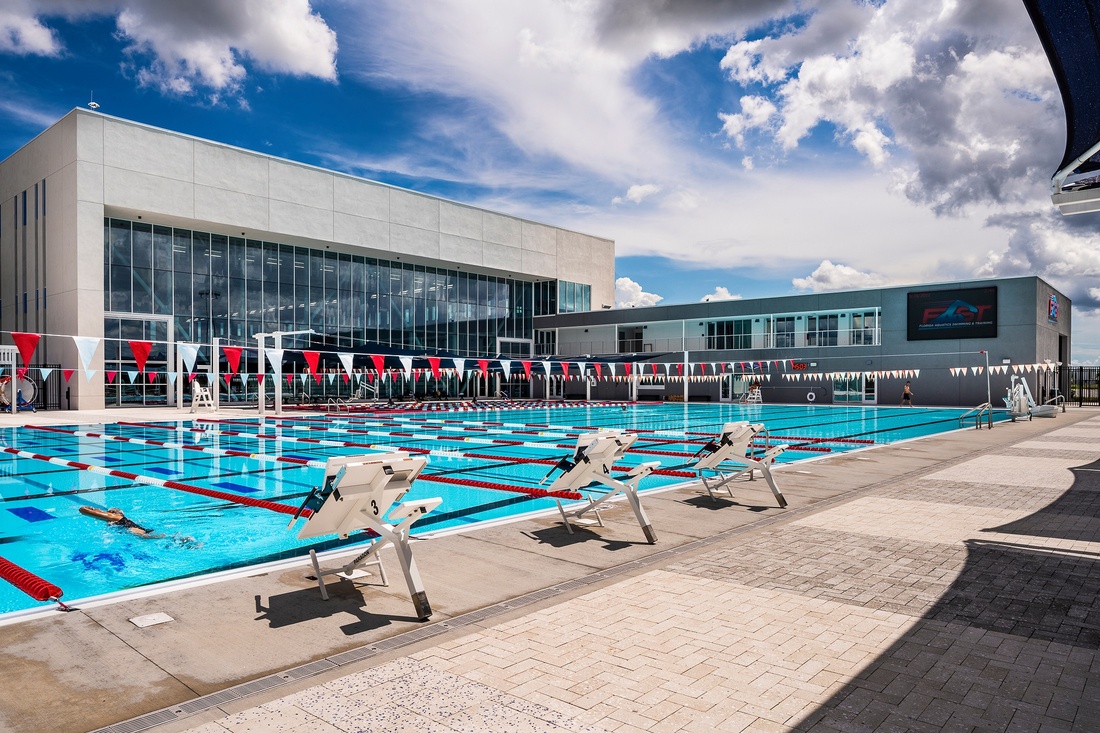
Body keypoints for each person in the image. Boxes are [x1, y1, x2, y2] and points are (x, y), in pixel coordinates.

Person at [80, 506, 164, 538]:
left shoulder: (115, 517)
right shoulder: (120, 520)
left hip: (138, 531)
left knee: (146, 537)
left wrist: (93, 509)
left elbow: (83, 510)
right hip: (139, 530)